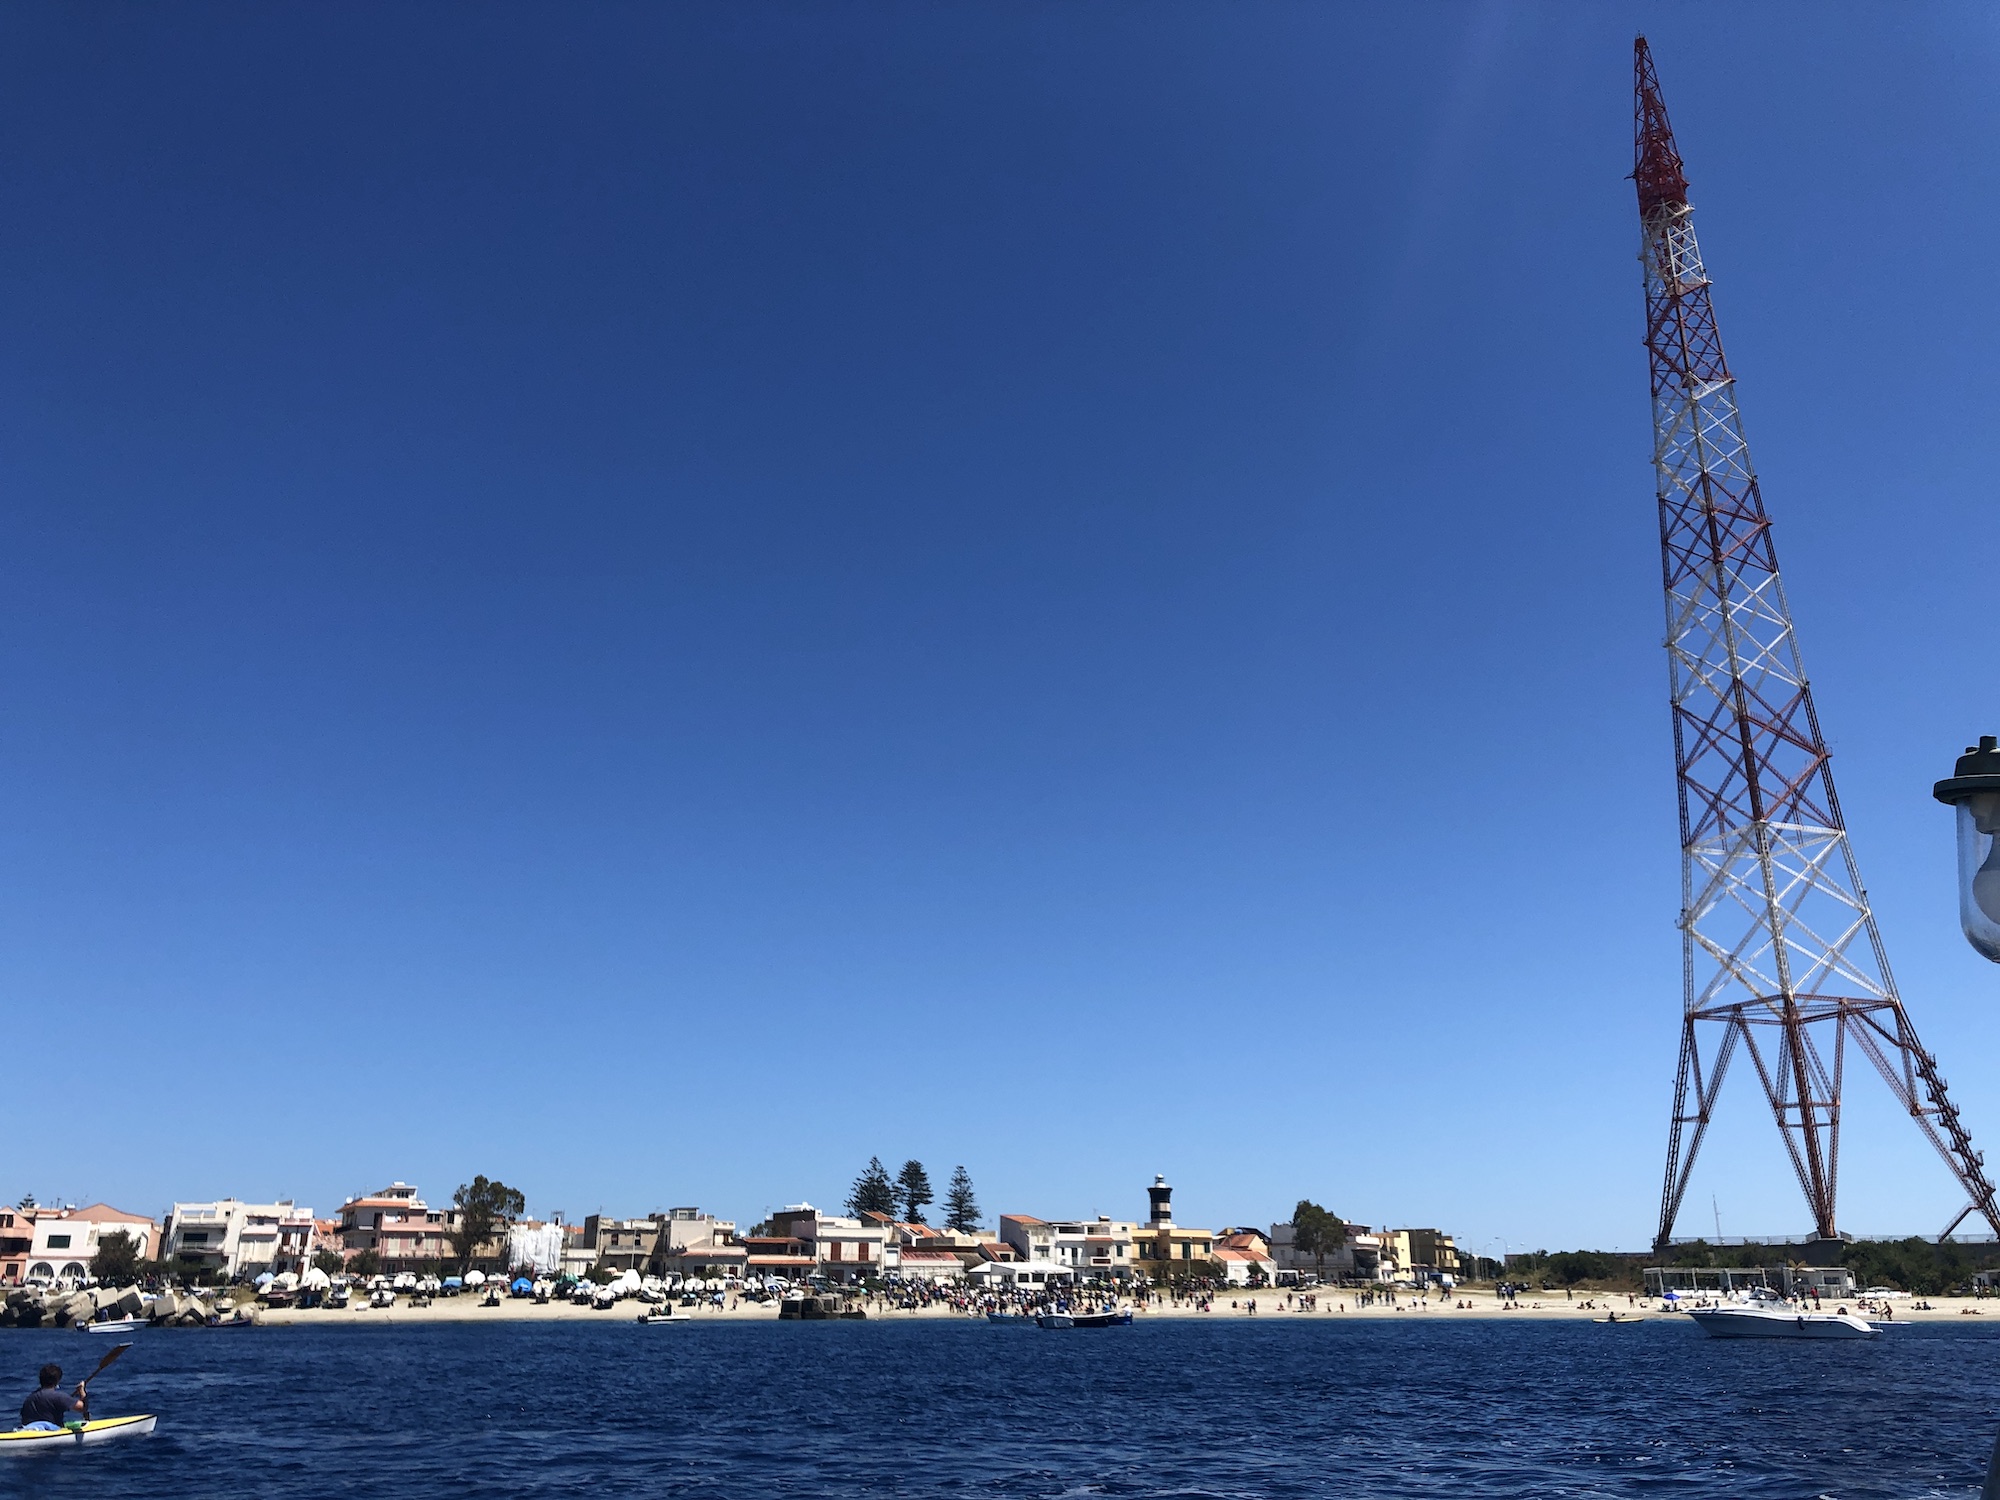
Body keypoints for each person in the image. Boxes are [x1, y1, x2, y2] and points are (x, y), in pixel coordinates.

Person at [18, 1364, 85, 1431]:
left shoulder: (29, 1398)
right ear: (57, 1381)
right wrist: (81, 1391)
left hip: (28, 1431)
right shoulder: (59, 1397)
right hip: (50, 1432)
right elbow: (83, 1407)